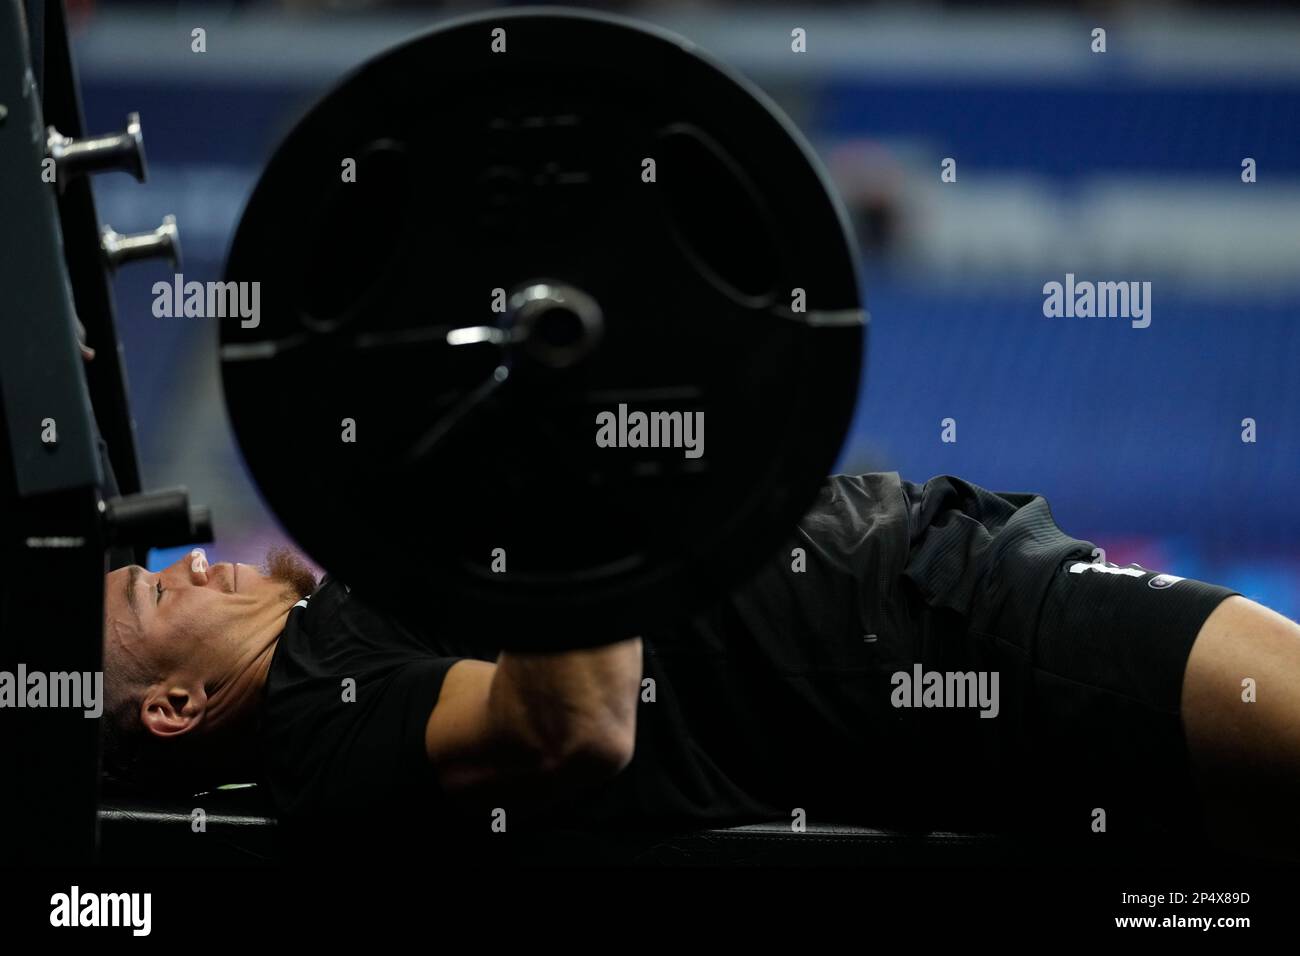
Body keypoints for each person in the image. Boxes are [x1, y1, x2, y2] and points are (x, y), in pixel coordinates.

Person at [100, 473, 1300, 858]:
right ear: (172, 706)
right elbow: (569, 724)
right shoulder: (324, 715)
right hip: (956, 640)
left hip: (935, 580)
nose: (191, 562)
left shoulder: (341, 627)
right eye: (155, 593)